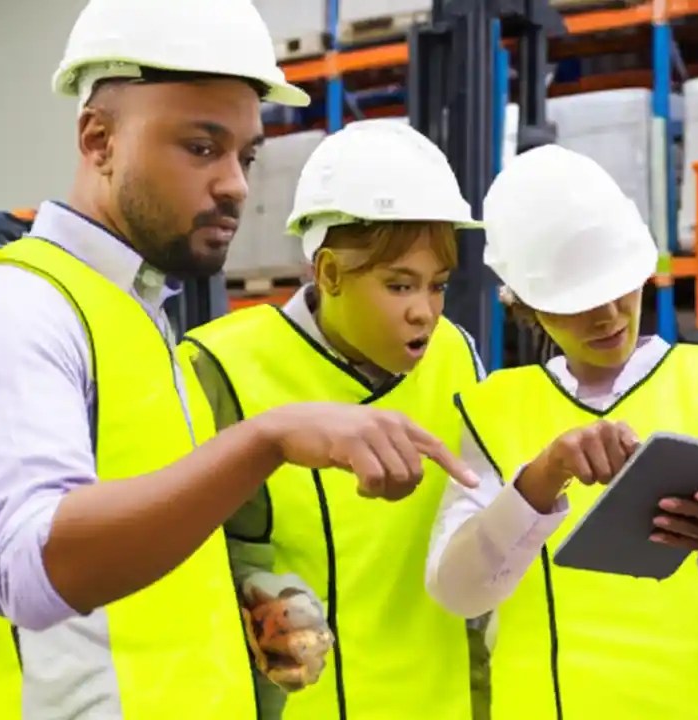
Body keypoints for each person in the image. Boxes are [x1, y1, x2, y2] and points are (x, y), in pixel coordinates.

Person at [0, 2, 475, 718]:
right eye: (202, 147)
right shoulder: (12, 310)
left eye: (246, 155)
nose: (235, 182)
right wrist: (266, 437)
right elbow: (32, 564)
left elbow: (136, 581)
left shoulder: (138, 322)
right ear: (98, 138)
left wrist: (245, 612)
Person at [426, 144, 698, 719]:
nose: (607, 316)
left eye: (618, 287)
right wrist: (538, 482)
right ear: (525, 304)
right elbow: (458, 594)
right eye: (577, 303)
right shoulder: (493, 412)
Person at [179, 119, 486, 720]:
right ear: (329, 274)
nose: (424, 312)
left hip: (441, 700)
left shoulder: (458, 354)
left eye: (438, 286)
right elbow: (175, 545)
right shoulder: (220, 367)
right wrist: (251, 591)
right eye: (399, 286)